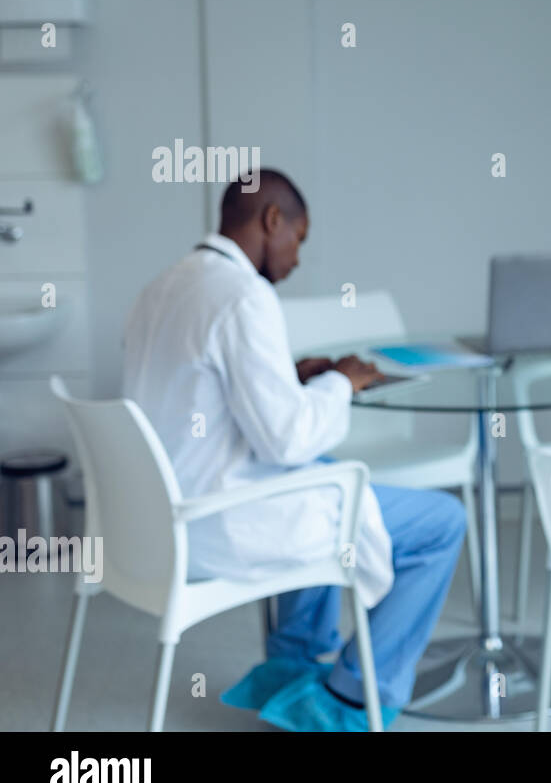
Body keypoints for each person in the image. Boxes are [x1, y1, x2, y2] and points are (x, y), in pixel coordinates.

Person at [122, 168, 466, 731]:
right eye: (299, 239)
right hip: (214, 523)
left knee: (322, 479)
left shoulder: (162, 287)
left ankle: (289, 669)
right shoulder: (243, 294)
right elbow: (285, 440)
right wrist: (342, 383)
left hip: (159, 519)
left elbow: (193, 395)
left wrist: (287, 375)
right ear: (272, 220)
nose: (298, 257)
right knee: (441, 523)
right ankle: (350, 698)